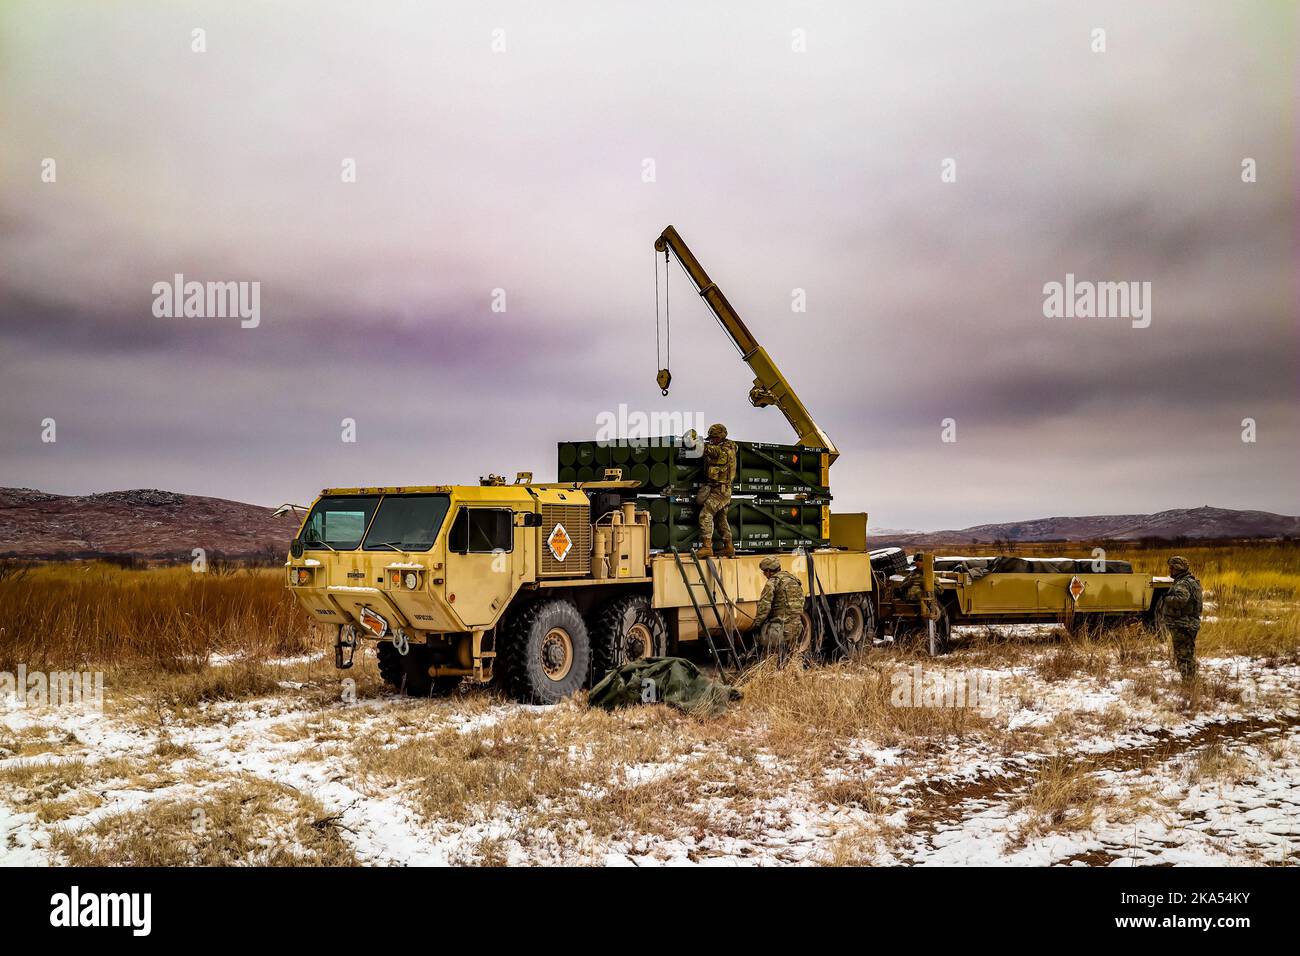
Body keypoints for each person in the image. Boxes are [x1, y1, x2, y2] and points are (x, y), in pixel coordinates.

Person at [751, 555, 808, 665]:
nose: (764, 574)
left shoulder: (772, 583)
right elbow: (801, 601)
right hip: (797, 627)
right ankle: (790, 674)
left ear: (768, 571)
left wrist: (757, 624)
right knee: (789, 657)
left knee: (768, 652)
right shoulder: (793, 579)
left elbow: (764, 607)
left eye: (764, 572)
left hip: (780, 629)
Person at [696, 422, 736, 558]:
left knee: (705, 514)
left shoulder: (726, 449)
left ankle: (707, 547)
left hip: (721, 490)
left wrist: (698, 443)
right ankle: (729, 547)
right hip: (719, 489)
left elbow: (714, 452)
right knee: (720, 519)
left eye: (714, 438)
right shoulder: (722, 447)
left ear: (721, 437)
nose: (712, 441)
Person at [1160, 555, 1203, 683]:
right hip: (1190, 623)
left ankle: (1188, 682)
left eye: (1171, 568)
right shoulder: (1192, 581)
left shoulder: (1182, 584)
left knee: (1183, 655)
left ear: (1177, 568)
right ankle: (1191, 679)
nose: (1170, 570)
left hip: (1182, 625)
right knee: (1188, 654)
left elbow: (1180, 600)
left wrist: (1166, 598)